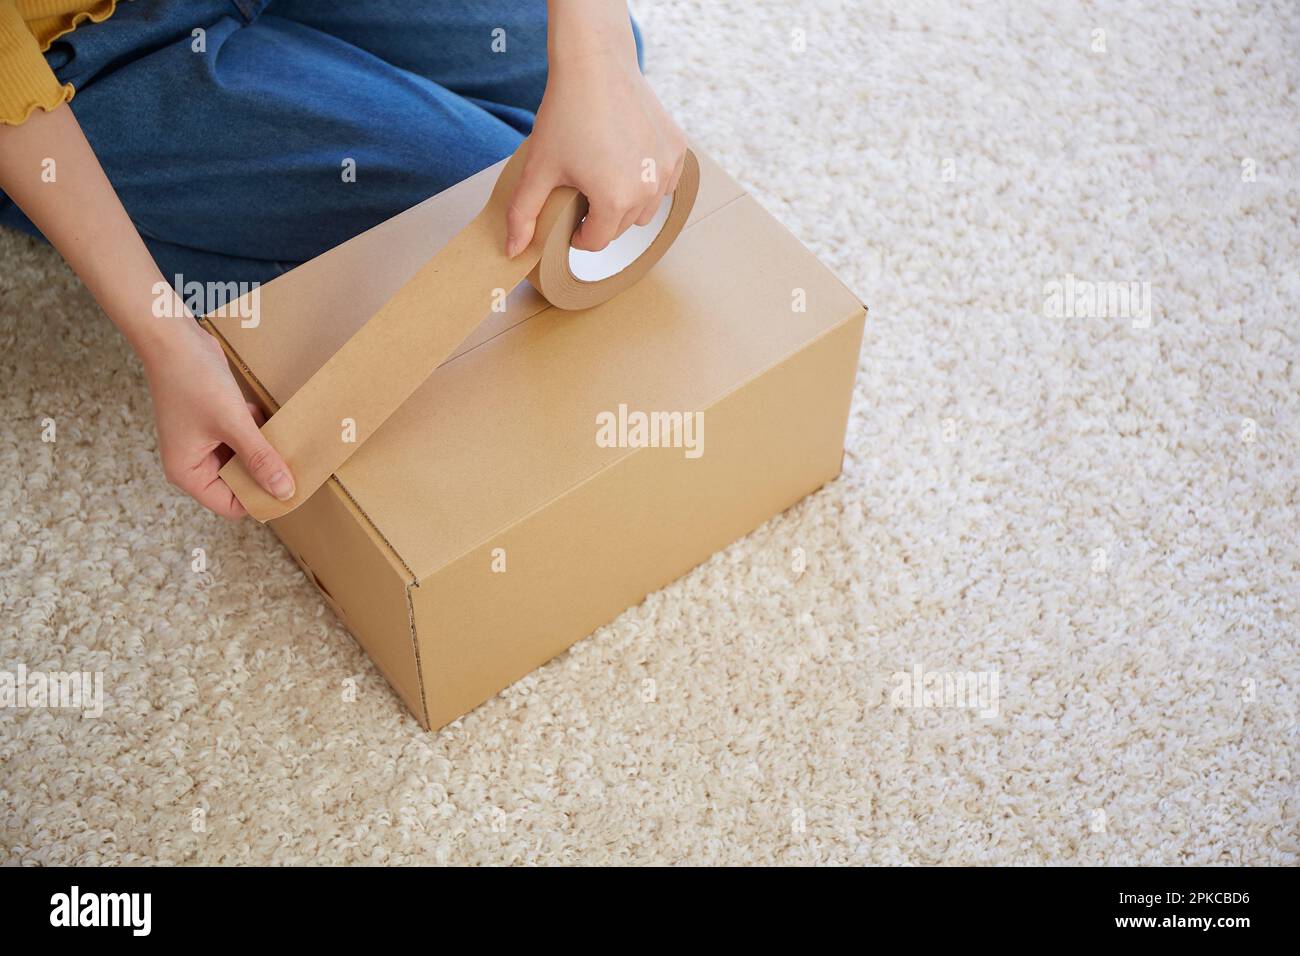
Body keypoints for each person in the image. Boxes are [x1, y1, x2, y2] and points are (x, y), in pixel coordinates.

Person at [0, 0, 687, 517]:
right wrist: (167, 340)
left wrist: (597, 62)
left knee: (592, 50)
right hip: (69, 50)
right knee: (473, 205)